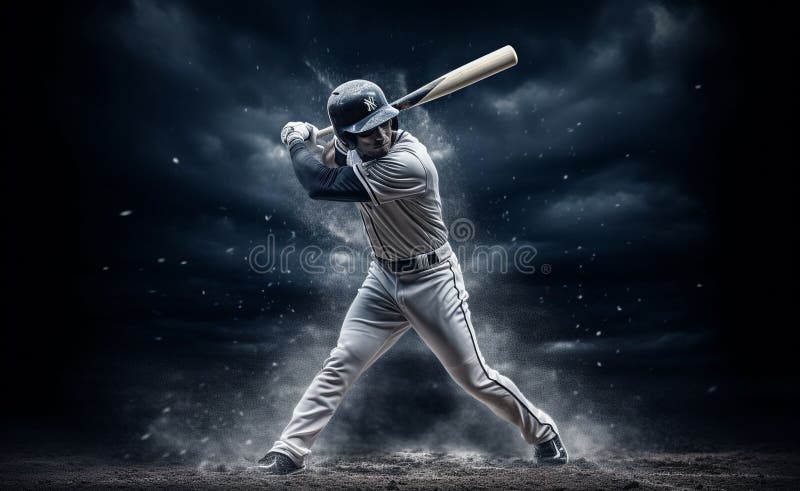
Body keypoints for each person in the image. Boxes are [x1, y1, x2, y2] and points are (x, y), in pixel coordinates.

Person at [257, 80, 567, 475]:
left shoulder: (408, 162)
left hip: (433, 280)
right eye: (367, 131)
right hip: (382, 279)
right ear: (349, 138)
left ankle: (544, 433)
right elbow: (331, 159)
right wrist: (317, 146)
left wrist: (296, 143)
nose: (380, 134)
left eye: (384, 122)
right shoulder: (353, 148)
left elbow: (319, 184)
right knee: (342, 360)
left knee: (473, 377)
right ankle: (288, 451)